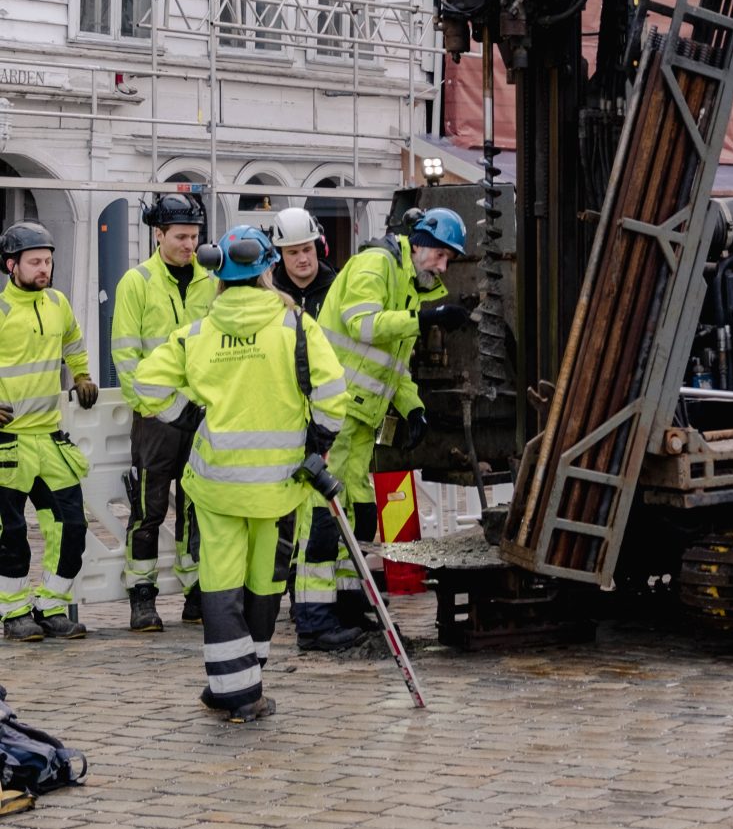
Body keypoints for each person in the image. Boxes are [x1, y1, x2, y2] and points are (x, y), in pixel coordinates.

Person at [125, 226, 350, 723]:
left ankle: (231, 688)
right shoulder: (296, 327)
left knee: (221, 585)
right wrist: (319, 444)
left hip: (218, 487)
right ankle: (245, 689)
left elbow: (145, 385)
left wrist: (191, 417)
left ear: (217, 277)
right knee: (264, 585)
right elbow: (334, 400)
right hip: (279, 488)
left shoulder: (197, 334)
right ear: (268, 270)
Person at [295, 207, 468, 650]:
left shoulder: (406, 283)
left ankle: (350, 607)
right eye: (443, 256)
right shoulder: (376, 264)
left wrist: (413, 409)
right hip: (334, 412)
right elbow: (364, 324)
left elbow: (393, 366)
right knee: (323, 515)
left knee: (360, 513)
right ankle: (314, 618)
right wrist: (427, 319)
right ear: (423, 243)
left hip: (357, 417)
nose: (444, 267)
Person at [112, 192, 213, 632]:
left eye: (194, 236)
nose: (190, 245)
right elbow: (126, 358)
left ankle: (195, 594)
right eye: (181, 237)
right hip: (156, 418)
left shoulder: (211, 281)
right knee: (148, 510)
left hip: (201, 414)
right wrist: (166, 408)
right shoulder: (137, 282)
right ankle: (142, 597)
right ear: (159, 235)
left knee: (197, 507)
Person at [0, 222, 97, 642]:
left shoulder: (58, 302)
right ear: (11, 265)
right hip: (10, 442)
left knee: (71, 526)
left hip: (50, 437)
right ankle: (14, 612)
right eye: (35, 262)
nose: (45, 268)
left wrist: (81, 375)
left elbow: (73, 342)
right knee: (11, 534)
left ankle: (51, 606)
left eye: (48, 260)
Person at [270, 207, 337, 319]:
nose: (303, 259)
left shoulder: (338, 289)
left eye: (307, 250)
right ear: (279, 255)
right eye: (293, 252)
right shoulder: (268, 293)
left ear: (319, 248)